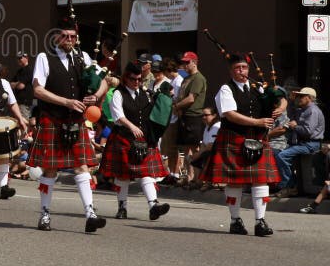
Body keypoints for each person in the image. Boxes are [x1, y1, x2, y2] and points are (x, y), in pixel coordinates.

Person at [30, 17, 107, 232]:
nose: (69, 40)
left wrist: (95, 95)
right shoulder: (45, 57)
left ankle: (90, 214)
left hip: (76, 121)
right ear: (56, 36)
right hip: (53, 119)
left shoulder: (83, 57)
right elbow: (38, 90)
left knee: (82, 166)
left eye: (73, 36)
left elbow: (103, 81)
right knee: (50, 169)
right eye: (65, 36)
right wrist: (66, 102)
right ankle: (45, 214)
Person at [200, 53, 284, 237]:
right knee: (235, 181)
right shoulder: (226, 89)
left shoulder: (258, 87)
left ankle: (260, 221)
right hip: (234, 138)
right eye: (237, 68)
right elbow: (230, 114)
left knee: (260, 180)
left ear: (248, 69)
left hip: (258, 139)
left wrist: (280, 108)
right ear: (231, 71)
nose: (241, 71)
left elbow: (281, 97)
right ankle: (235, 220)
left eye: (244, 67)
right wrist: (257, 122)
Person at [100, 62, 171, 222]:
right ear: (126, 78)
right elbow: (118, 116)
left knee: (146, 173)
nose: (137, 82)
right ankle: (122, 207)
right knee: (123, 176)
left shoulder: (145, 93)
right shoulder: (118, 94)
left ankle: (153, 206)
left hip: (143, 139)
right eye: (133, 79)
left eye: (139, 79)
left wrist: (164, 99)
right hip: (123, 137)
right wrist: (132, 127)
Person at [0, 61, 28, 199]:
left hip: (0, 123)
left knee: (3, 156)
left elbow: (12, 103)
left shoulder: (4, 83)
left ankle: (4, 188)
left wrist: (20, 119)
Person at [275, 87, 325, 198]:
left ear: (309, 98)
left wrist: (295, 126)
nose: (299, 98)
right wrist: (291, 100)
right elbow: (291, 113)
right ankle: (293, 186)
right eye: (298, 96)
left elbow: (308, 131)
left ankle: (290, 187)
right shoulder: (303, 109)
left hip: (311, 144)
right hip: (302, 144)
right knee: (279, 153)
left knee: (282, 156)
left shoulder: (312, 110)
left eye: (301, 96)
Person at [171, 52, 207, 186]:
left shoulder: (198, 78)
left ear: (194, 62)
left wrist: (176, 106)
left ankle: (197, 177)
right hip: (184, 116)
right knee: (185, 149)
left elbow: (191, 98)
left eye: (187, 62)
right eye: (183, 62)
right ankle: (188, 176)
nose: (184, 65)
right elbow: (182, 96)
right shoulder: (186, 78)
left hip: (193, 116)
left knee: (194, 148)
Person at [10, 52, 34, 123]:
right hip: (19, 102)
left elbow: (21, 86)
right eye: (18, 58)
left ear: (26, 58)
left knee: (25, 123)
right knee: (19, 123)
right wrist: (17, 83)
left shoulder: (29, 70)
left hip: (25, 102)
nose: (19, 60)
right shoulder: (19, 71)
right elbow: (10, 84)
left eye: (20, 58)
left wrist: (16, 84)